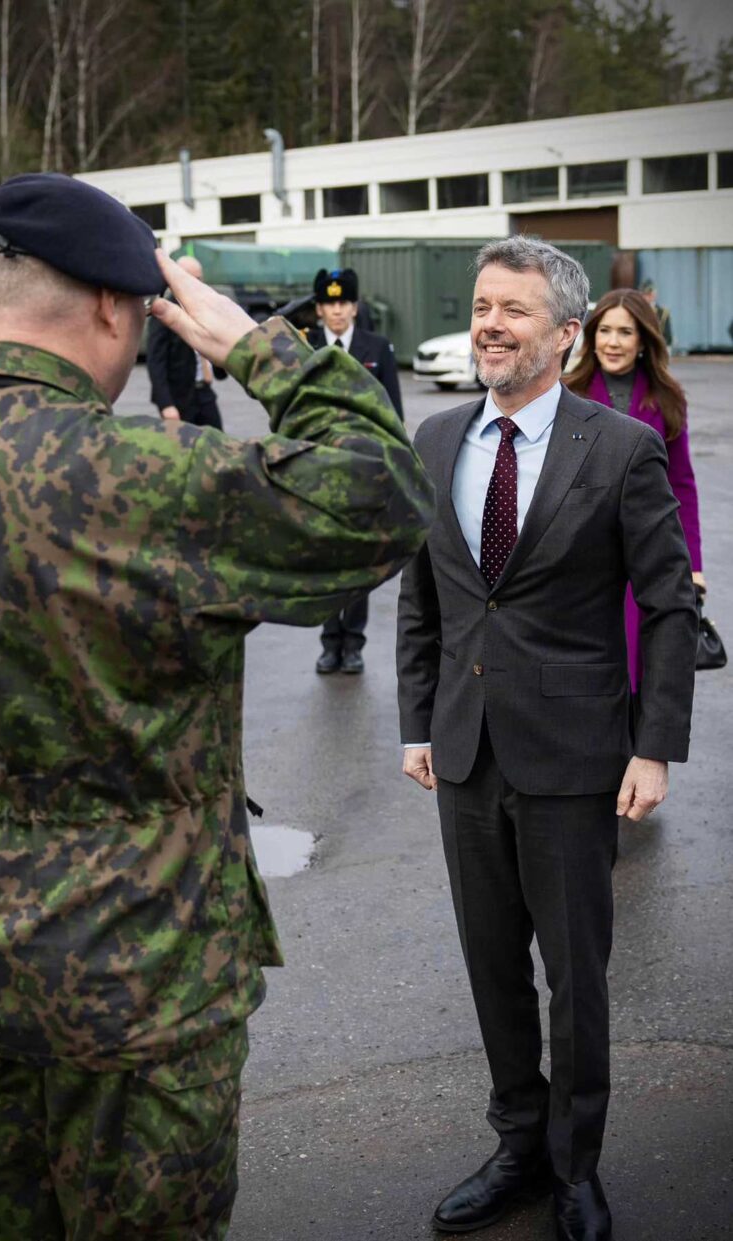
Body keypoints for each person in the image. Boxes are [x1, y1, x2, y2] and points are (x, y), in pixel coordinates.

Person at [0, 172, 436, 1241]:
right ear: (118, 307)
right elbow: (383, 492)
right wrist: (257, 346)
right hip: (144, 989)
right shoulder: (153, 479)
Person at [396, 237, 697, 1241]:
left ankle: (575, 1165)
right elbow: (424, 596)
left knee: (576, 977)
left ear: (566, 335)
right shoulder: (436, 440)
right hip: (466, 752)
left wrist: (653, 746)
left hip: (577, 759)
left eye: (512, 310)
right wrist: (415, 721)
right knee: (491, 968)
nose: (488, 323)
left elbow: (664, 606)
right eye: (483, 305)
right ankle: (516, 1141)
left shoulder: (617, 448)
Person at [564, 287, 705, 691]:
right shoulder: (568, 391)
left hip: (648, 547)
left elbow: (682, 483)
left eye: (625, 332)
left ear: (643, 339)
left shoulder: (667, 397)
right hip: (580, 546)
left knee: (642, 660)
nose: (612, 342)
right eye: (604, 330)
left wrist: (693, 566)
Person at [308, 267, 404, 675]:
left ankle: (354, 643)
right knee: (327, 560)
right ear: (318, 308)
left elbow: (393, 413)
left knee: (360, 558)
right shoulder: (305, 348)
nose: (337, 310)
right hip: (319, 470)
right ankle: (330, 642)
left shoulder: (376, 347)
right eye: (330, 303)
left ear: (355, 306)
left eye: (344, 302)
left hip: (365, 470)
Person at [147, 253, 226, 428]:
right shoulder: (164, 311)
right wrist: (165, 404)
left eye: (200, 278)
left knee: (217, 444)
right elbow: (156, 362)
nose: (198, 284)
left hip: (205, 392)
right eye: (192, 279)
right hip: (180, 398)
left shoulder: (207, 309)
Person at [639, 279, 673, 349]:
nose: (645, 297)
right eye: (643, 294)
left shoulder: (663, 314)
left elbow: (668, 338)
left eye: (648, 294)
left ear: (654, 294)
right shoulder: (637, 311)